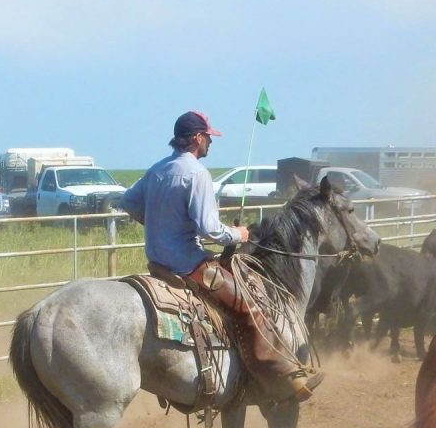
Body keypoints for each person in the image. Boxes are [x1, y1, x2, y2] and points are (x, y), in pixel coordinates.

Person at [121, 110, 320, 402]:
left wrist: (156, 222)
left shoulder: (157, 170)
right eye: (209, 138)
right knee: (249, 303)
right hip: (188, 264)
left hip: (158, 263)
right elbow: (210, 229)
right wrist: (239, 234)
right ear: (197, 138)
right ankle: (278, 375)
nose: (211, 144)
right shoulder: (197, 174)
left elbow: (128, 201)